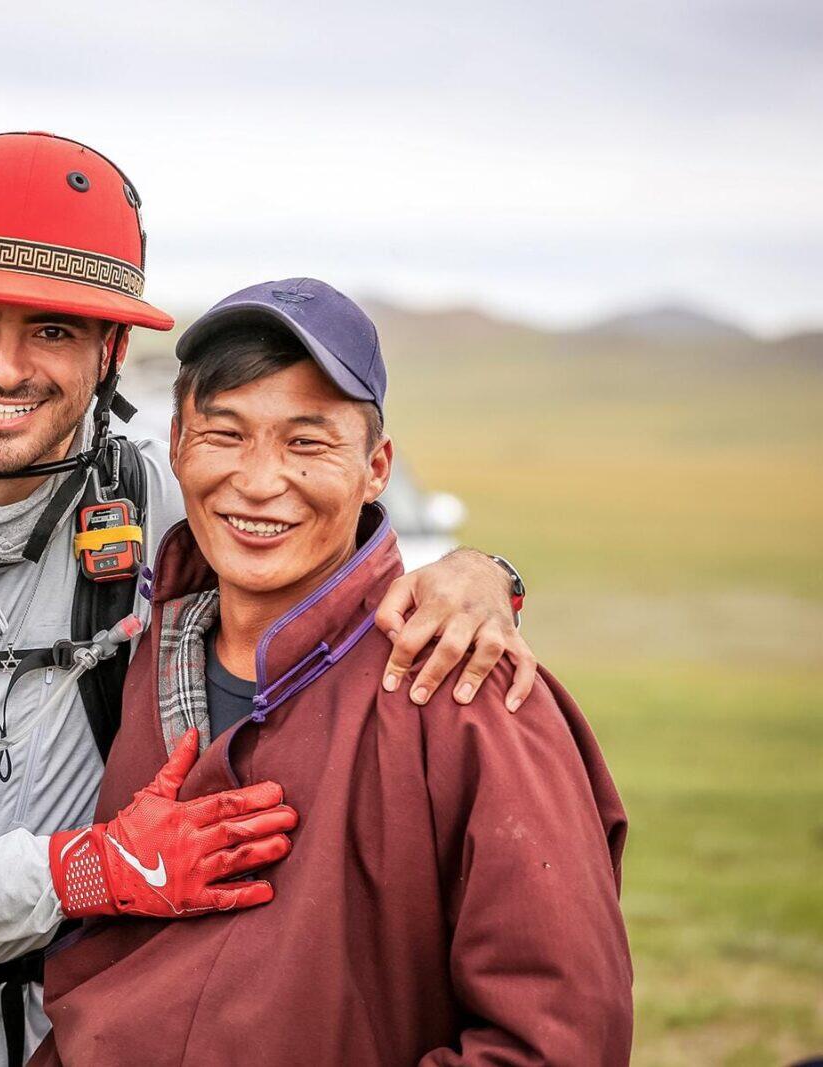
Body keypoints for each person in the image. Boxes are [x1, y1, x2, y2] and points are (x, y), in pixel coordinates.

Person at [0, 132, 537, 1067]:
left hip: (34, 1037)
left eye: (52, 330)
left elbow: (314, 544)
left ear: (112, 348)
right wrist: (92, 870)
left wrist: (480, 573)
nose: (7, 369)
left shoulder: (159, 499)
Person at [34, 279, 633, 1066]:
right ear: (177, 444)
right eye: (225, 434)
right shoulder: (142, 653)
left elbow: (556, 1037)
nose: (258, 481)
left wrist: (486, 572)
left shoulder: (463, 685)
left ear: (376, 466)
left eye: (307, 443)